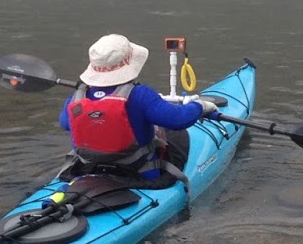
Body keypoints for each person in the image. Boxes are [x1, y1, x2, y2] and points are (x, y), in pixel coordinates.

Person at [59, 34, 218, 184]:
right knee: (177, 136)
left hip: (91, 168)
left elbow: (65, 124)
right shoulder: (140, 95)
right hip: (139, 173)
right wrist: (201, 106)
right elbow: (177, 120)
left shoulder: (77, 97)